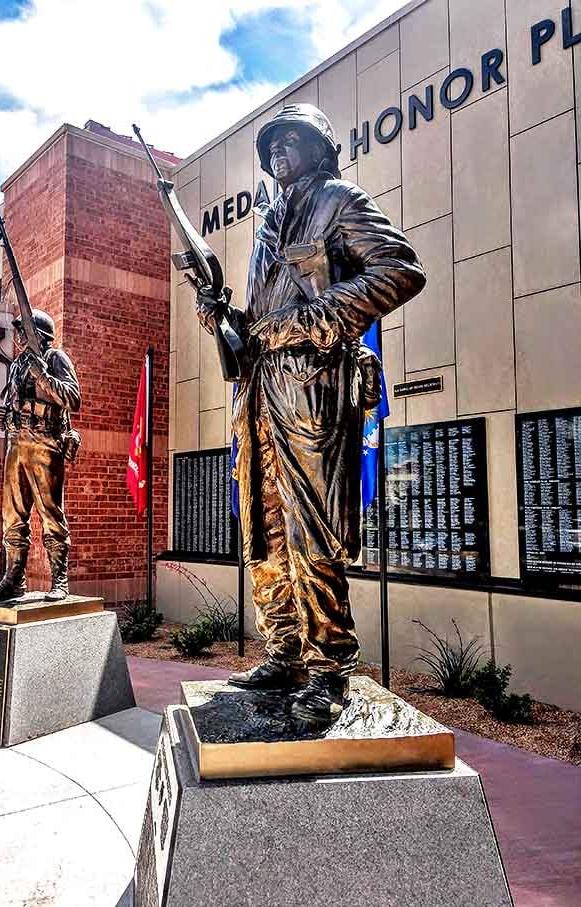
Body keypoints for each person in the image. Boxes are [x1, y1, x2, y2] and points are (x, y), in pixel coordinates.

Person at [197, 104, 426, 725]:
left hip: (313, 383)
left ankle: (329, 663)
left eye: (290, 141)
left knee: (312, 523)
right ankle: (284, 650)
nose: (278, 153)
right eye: (271, 146)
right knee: (263, 522)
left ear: (319, 147)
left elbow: (401, 271)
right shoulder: (270, 220)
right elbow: (259, 316)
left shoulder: (338, 200)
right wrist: (226, 321)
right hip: (258, 387)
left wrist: (308, 321)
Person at [0, 309, 81, 603]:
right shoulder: (17, 364)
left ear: (39, 334)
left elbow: (73, 399)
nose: (19, 335)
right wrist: (7, 415)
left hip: (45, 444)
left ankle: (59, 579)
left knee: (50, 513)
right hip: (16, 443)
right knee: (12, 516)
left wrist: (44, 376)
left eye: (23, 329)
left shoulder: (54, 358)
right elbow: (17, 400)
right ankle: (14, 579)